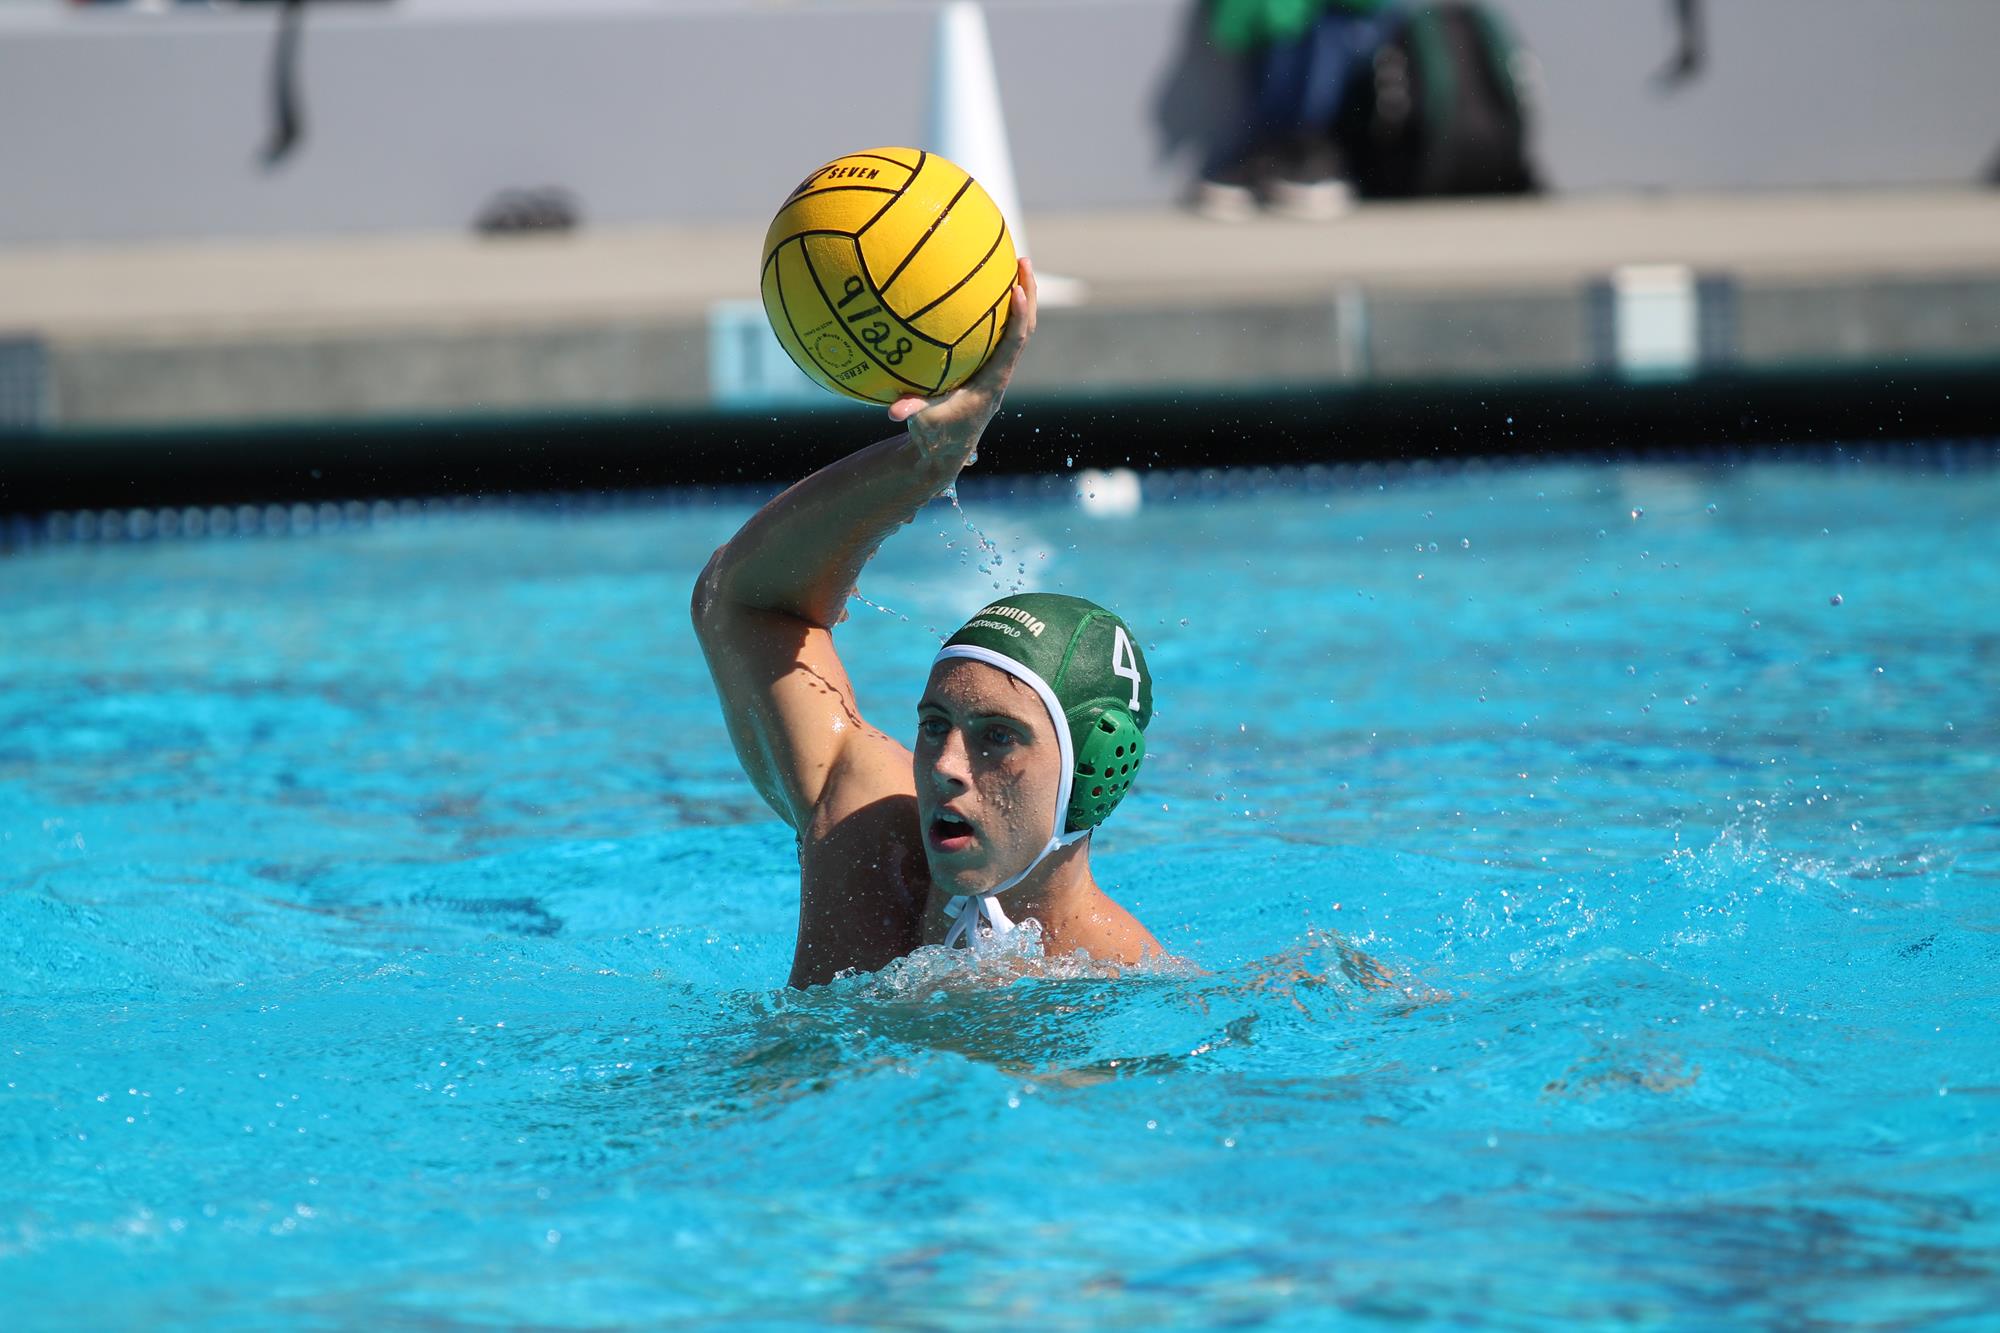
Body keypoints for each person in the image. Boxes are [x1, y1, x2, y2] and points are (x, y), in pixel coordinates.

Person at [691, 260, 1166, 988]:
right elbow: (739, 601)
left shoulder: (1120, 978)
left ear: (1091, 777)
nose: (944, 766)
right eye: (934, 723)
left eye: (997, 737)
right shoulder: (862, 828)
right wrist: (925, 461)